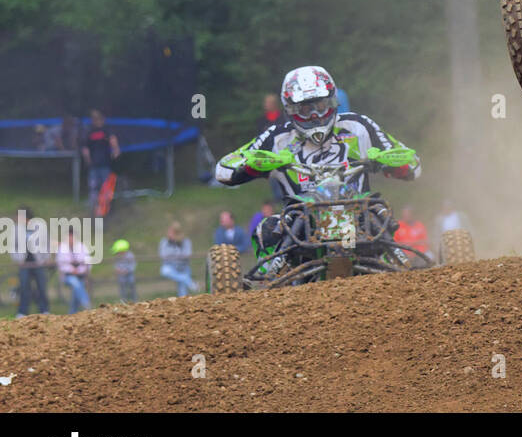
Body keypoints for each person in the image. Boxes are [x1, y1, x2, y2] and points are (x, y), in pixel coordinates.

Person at [216, 65, 421, 277]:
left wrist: (391, 163)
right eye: (306, 109)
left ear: (332, 101)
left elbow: (412, 162)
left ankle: (407, 273)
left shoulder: (358, 126)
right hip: (300, 221)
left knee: (380, 213)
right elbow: (223, 169)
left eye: (321, 105)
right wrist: (254, 164)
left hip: (359, 216)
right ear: (291, 109)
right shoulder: (277, 137)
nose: (315, 115)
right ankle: (269, 282)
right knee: (267, 229)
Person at [9, 207, 50, 316]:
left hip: (38, 262)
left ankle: (44, 310)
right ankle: (22, 312)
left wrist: (45, 257)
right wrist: (17, 259)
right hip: (24, 263)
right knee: (24, 288)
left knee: (41, 287)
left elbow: (46, 243)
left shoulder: (39, 227)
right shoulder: (16, 229)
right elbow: (13, 246)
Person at [80, 109, 120, 211]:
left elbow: (112, 140)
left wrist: (115, 150)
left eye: (98, 118)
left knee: (105, 185)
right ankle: (94, 206)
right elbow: (85, 148)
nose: (96, 121)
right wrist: (87, 159)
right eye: (94, 119)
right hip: (95, 164)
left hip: (104, 163)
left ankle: (106, 205)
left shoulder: (105, 130)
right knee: (94, 186)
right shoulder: (89, 132)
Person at [55, 229, 92, 314]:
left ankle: (72, 313)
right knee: (76, 283)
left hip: (81, 275)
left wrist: (79, 271)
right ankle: (87, 304)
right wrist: (72, 270)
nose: (70, 239)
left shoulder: (82, 247)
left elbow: (88, 262)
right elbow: (61, 264)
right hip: (68, 275)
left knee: (77, 290)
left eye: (72, 237)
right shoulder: (62, 248)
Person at [159, 222, 198, 297]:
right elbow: (163, 255)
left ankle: (183, 303)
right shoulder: (165, 242)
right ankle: (188, 281)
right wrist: (176, 253)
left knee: (183, 292)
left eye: (172, 233)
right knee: (165, 271)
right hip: (171, 266)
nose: (169, 234)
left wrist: (177, 248)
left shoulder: (185, 241)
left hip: (183, 267)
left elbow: (187, 254)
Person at [112, 239, 137, 303]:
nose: (117, 253)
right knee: (122, 287)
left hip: (129, 274)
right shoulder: (117, 257)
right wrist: (118, 270)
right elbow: (115, 265)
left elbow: (133, 265)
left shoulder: (130, 255)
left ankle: (134, 300)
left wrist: (127, 270)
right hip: (121, 275)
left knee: (131, 284)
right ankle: (123, 300)